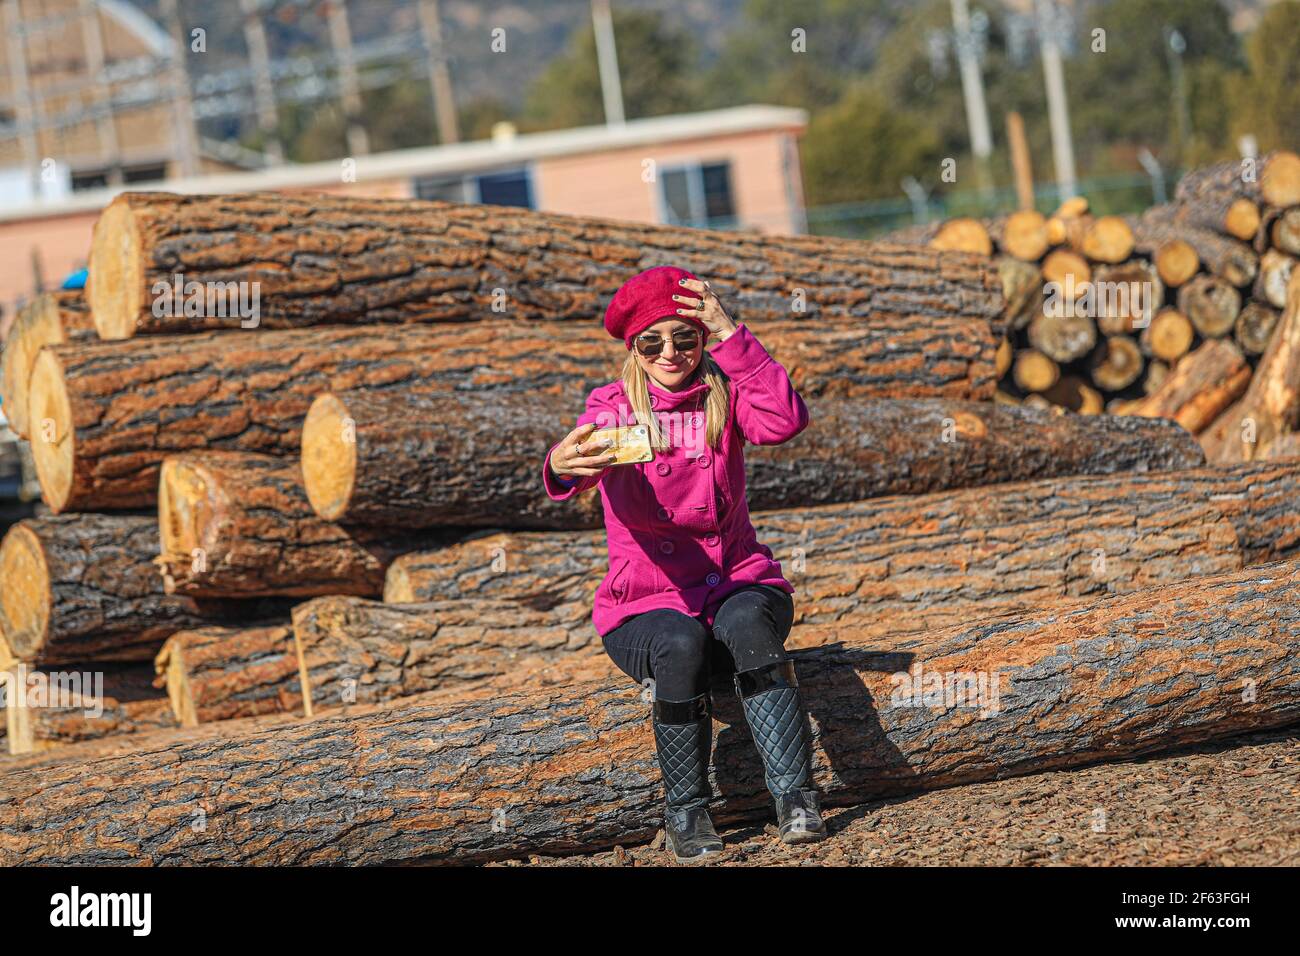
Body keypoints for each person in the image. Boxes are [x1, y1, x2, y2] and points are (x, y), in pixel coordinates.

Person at [542, 265, 825, 863]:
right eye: (652, 342)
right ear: (634, 349)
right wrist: (565, 465)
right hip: (644, 605)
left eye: (685, 338)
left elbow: (785, 419)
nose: (669, 353)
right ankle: (686, 812)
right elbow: (574, 458)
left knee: (748, 623)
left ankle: (796, 798)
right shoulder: (613, 406)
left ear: (700, 340)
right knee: (677, 643)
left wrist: (728, 329)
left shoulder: (726, 393)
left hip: (738, 587)